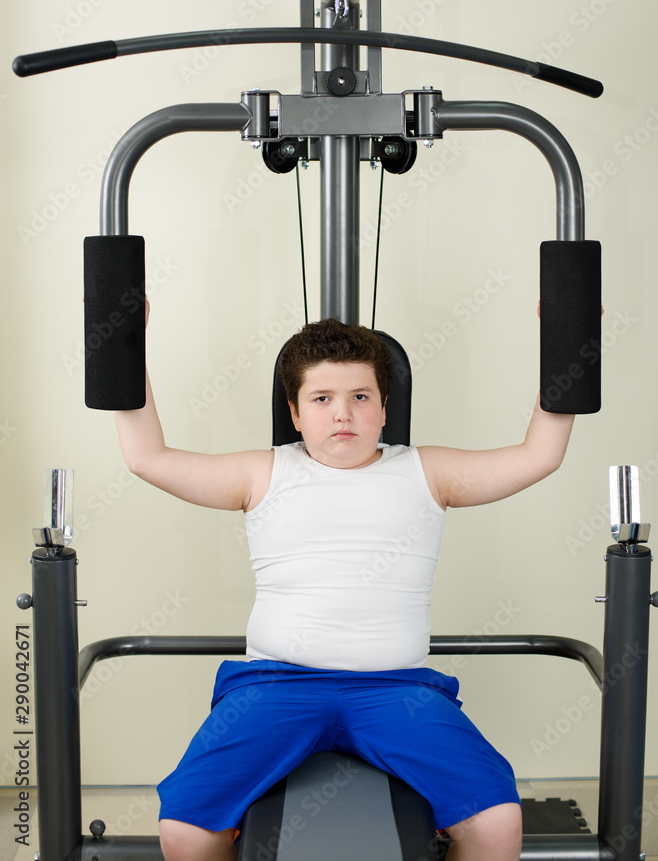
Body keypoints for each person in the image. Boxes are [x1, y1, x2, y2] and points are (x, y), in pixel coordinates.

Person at [115, 311, 574, 861]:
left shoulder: (428, 472)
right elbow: (148, 457)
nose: (342, 414)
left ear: (385, 409)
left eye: (361, 397)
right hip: (275, 686)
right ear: (295, 412)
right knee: (186, 828)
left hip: (397, 691)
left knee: (497, 823)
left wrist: (566, 338)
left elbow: (539, 455)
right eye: (322, 399)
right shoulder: (263, 473)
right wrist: (125, 339)